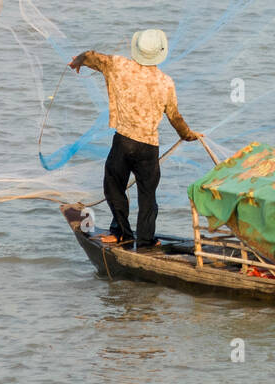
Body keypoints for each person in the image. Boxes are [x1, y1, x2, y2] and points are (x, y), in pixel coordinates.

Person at [69, 29, 199, 249]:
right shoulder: (166, 82)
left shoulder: (119, 65)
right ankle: (147, 240)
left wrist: (78, 61)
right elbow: (175, 116)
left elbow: (91, 55)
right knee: (147, 196)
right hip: (149, 148)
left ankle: (122, 233)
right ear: (159, 52)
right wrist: (188, 135)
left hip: (124, 142)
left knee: (114, 186)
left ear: (136, 49)